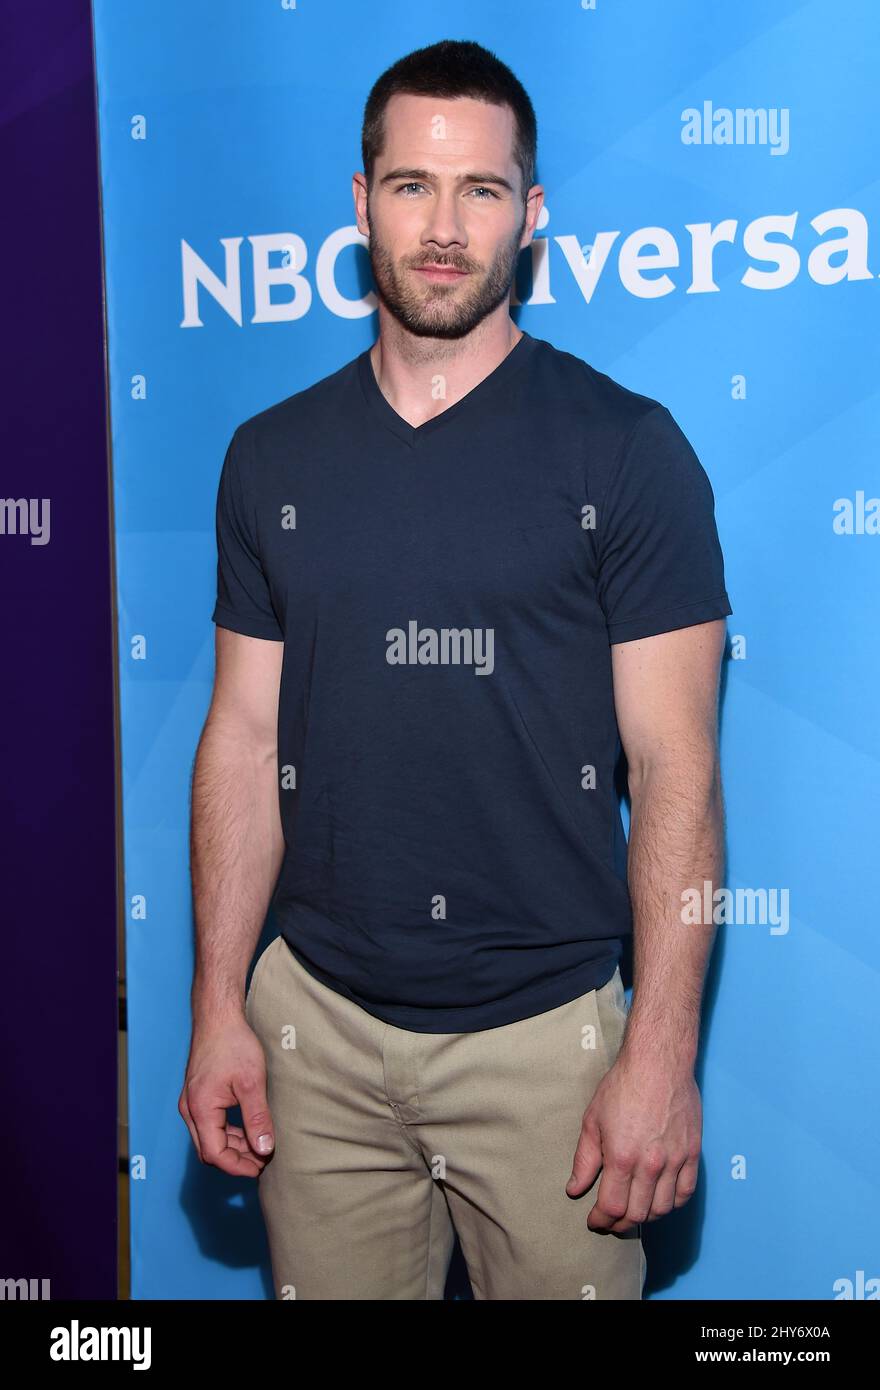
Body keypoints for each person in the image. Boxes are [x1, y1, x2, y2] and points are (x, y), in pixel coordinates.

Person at [179, 38, 732, 1301]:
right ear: (359, 200)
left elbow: (677, 771)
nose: (442, 228)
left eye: (480, 190)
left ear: (530, 215)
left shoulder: (627, 454)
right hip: (311, 1037)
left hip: (547, 1049)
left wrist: (657, 1055)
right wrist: (220, 1006)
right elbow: (240, 741)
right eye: (412, 186)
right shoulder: (270, 461)